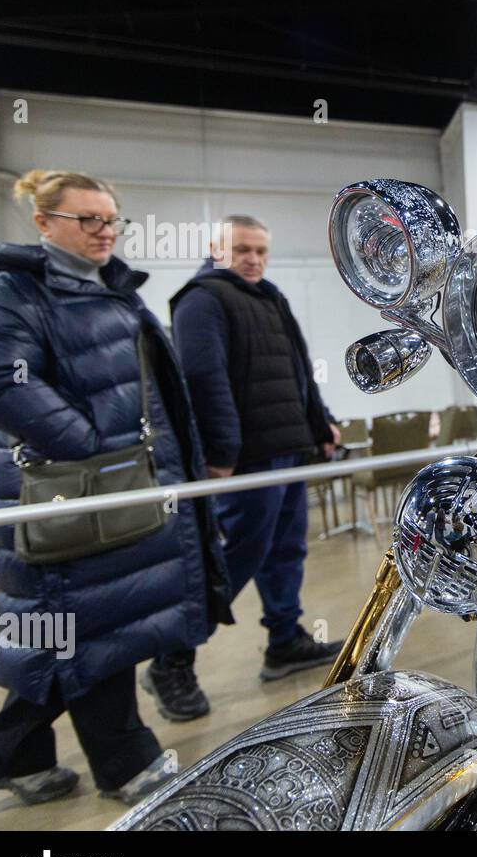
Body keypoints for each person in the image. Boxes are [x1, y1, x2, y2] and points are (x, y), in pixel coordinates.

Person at [0, 170, 230, 806]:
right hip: (71, 495)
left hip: (121, 491)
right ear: (43, 222)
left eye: (112, 219)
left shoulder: (109, 290)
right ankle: (126, 765)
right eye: (87, 219)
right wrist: (89, 444)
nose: (104, 231)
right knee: (95, 626)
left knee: (85, 625)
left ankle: (9, 757)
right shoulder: (12, 291)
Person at [143, 215, 341, 722]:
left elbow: (298, 368)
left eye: (260, 250)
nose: (253, 258)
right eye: (242, 249)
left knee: (286, 549)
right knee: (235, 560)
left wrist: (322, 425)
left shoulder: (270, 296)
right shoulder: (200, 299)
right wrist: (222, 455)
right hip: (245, 460)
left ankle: (284, 641)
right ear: (216, 249)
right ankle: (172, 659)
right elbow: (204, 379)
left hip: (289, 448)